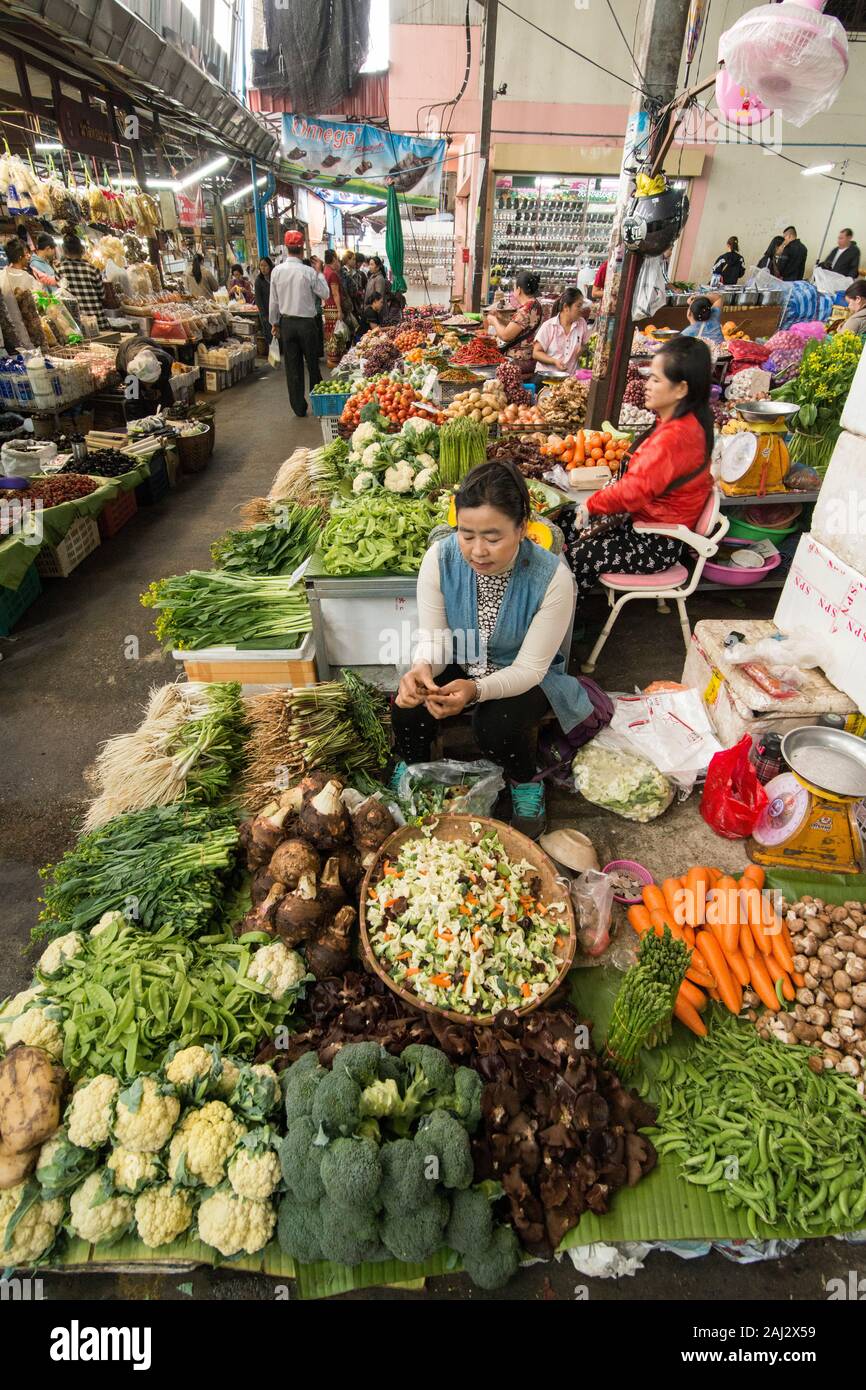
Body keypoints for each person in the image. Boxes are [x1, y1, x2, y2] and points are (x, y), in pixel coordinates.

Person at [391, 460, 592, 839]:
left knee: (497, 725)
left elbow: (531, 668)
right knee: (407, 703)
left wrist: (476, 690)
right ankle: (415, 770)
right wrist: (422, 667)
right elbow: (434, 638)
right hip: (462, 655)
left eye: (493, 537)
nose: (477, 551)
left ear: (521, 528)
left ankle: (525, 778)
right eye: (467, 534)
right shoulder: (440, 558)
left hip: (520, 670)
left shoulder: (553, 578)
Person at [559, 337, 714, 600]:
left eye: (656, 379)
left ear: (680, 390)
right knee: (562, 522)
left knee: (577, 556)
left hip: (654, 542)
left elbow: (633, 491)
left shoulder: (675, 438)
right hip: (640, 523)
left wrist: (591, 505)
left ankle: (568, 624)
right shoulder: (684, 420)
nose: (647, 385)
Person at [269, 230, 330, 417]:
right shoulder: (309, 272)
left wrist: (274, 323)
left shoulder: (277, 271)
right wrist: (319, 273)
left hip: (287, 324)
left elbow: (274, 302)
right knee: (312, 365)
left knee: (293, 367)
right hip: (307, 325)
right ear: (302, 249)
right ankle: (318, 403)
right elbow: (325, 294)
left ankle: (298, 407)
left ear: (286, 248)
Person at [487, 269, 544, 380]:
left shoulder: (525, 310)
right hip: (529, 357)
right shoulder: (535, 305)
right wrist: (500, 318)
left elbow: (506, 336)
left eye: (514, 288)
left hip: (520, 359)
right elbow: (519, 327)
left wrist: (493, 321)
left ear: (518, 290)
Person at [57, 230, 109, 332]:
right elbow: (102, 295)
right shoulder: (92, 269)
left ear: (64, 251)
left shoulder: (60, 270)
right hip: (97, 321)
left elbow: (61, 295)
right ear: (81, 250)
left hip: (76, 324)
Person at [532, 287, 589, 375]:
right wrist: (554, 361)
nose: (581, 309)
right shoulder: (549, 326)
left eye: (582, 306)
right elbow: (536, 353)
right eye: (578, 306)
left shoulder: (581, 324)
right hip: (546, 376)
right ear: (566, 307)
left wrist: (582, 349)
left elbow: (585, 345)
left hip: (568, 378)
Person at [0, 237, 43, 348]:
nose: (29, 256)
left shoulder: (2, 275)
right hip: (29, 331)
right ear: (20, 257)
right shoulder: (25, 277)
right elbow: (38, 302)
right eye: (27, 254)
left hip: (9, 334)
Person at [321, 249, 346, 366]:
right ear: (334, 259)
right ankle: (334, 359)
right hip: (333, 307)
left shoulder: (325, 271)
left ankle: (331, 358)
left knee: (330, 332)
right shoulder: (332, 274)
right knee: (336, 333)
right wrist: (340, 310)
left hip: (327, 306)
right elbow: (335, 293)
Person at [254, 256, 274, 343]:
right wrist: (264, 315)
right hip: (266, 314)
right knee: (269, 336)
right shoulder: (258, 281)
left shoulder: (274, 278)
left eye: (265, 266)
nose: (263, 268)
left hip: (276, 312)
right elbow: (258, 300)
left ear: (270, 266)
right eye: (261, 266)